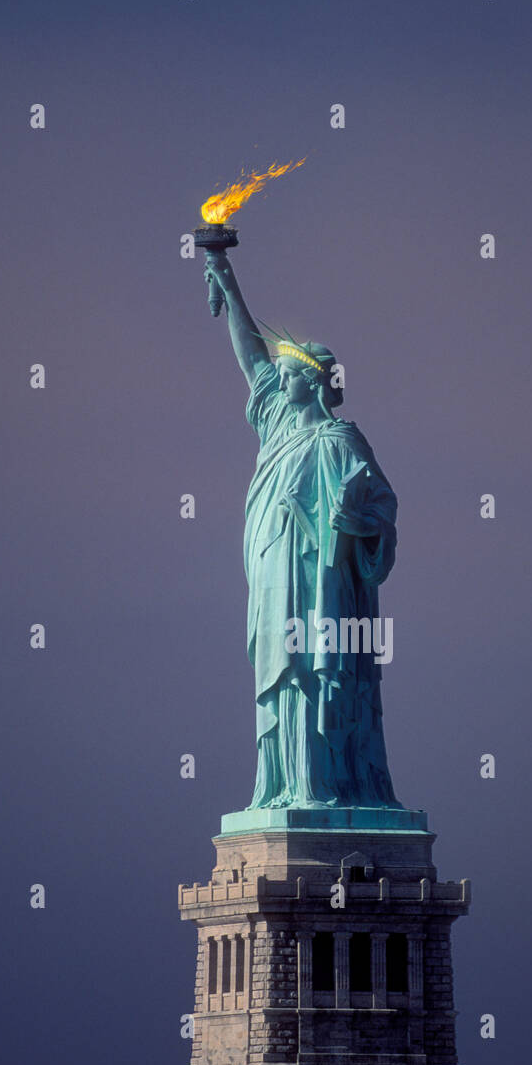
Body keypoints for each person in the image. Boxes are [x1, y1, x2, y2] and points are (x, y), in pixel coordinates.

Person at [203, 248, 402, 810]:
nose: (279, 379)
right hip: (273, 574)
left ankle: (324, 785)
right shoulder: (278, 425)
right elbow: (252, 361)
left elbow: (382, 510)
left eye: (291, 373)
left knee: (315, 673)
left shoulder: (343, 443)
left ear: (315, 383)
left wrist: (354, 520)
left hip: (322, 584)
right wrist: (227, 278)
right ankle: (284, 786)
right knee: (281, 677)